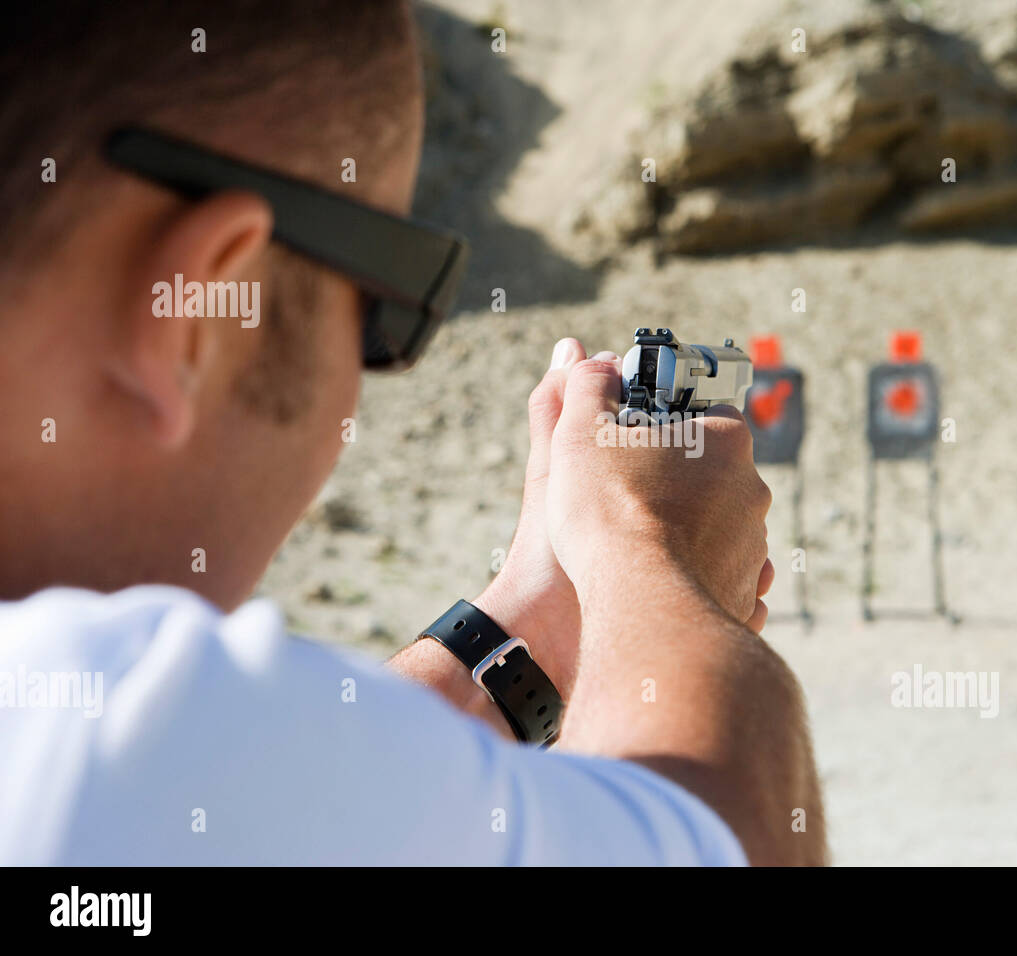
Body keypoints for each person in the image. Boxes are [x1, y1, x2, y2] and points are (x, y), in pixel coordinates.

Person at [0, 0, 824, 865]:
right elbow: (733, 838)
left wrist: (534, 623)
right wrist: (657, 555)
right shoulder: (98, 730)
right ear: (199, 308)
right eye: (388, 306)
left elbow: (293, 808)